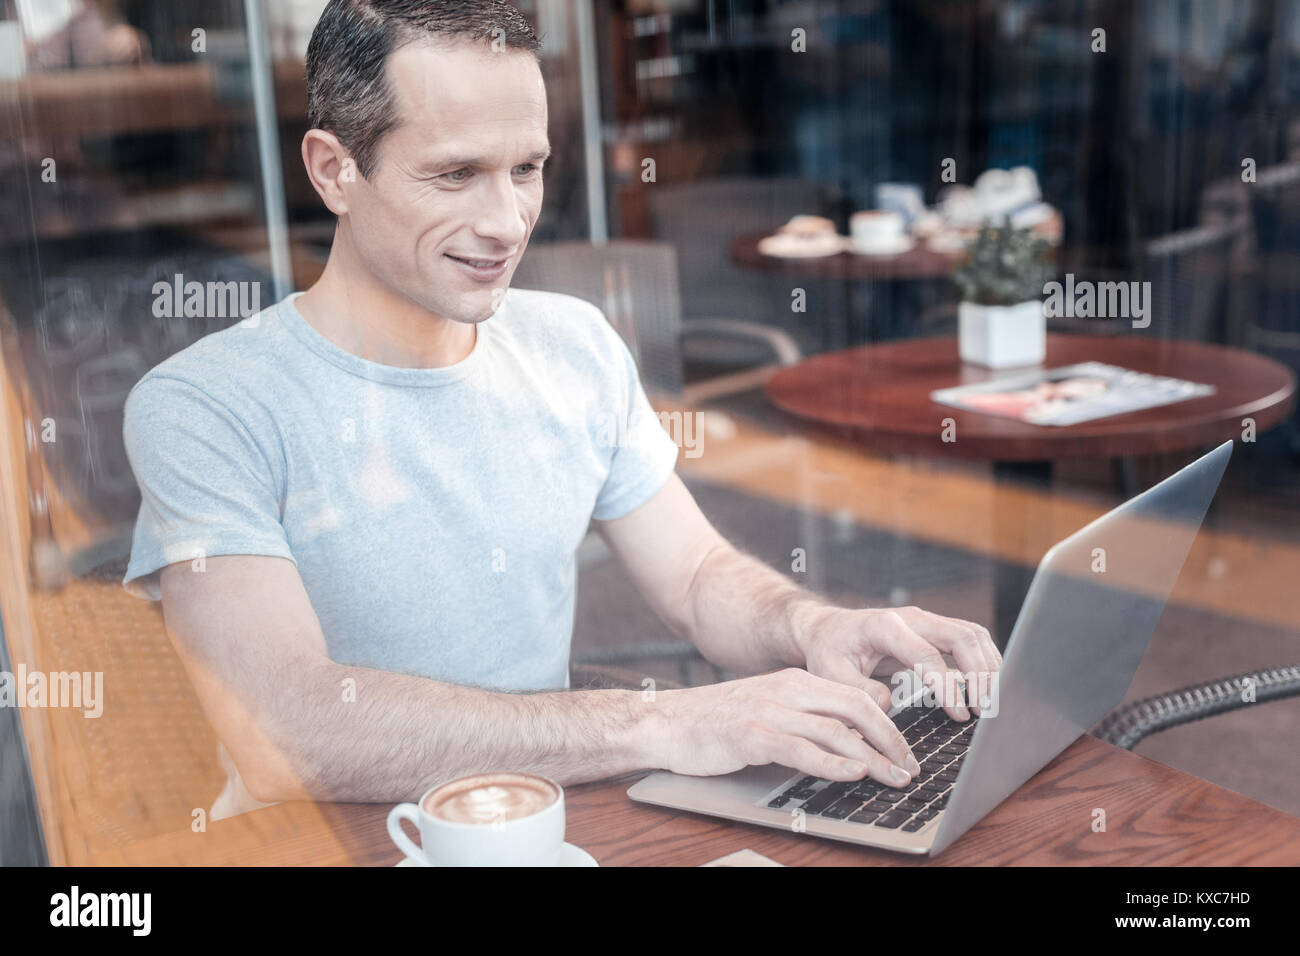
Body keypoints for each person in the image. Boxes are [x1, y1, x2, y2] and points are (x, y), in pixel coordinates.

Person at [122, 0, 999, 815]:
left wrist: (816, 624)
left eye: (527, 169)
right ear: (334, 171)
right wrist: (659, 722)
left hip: (541, 823)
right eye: (456, 173)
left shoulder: (574, 345)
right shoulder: (206, 406)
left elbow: (696, 581)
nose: (507, 221)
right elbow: (286, 730)